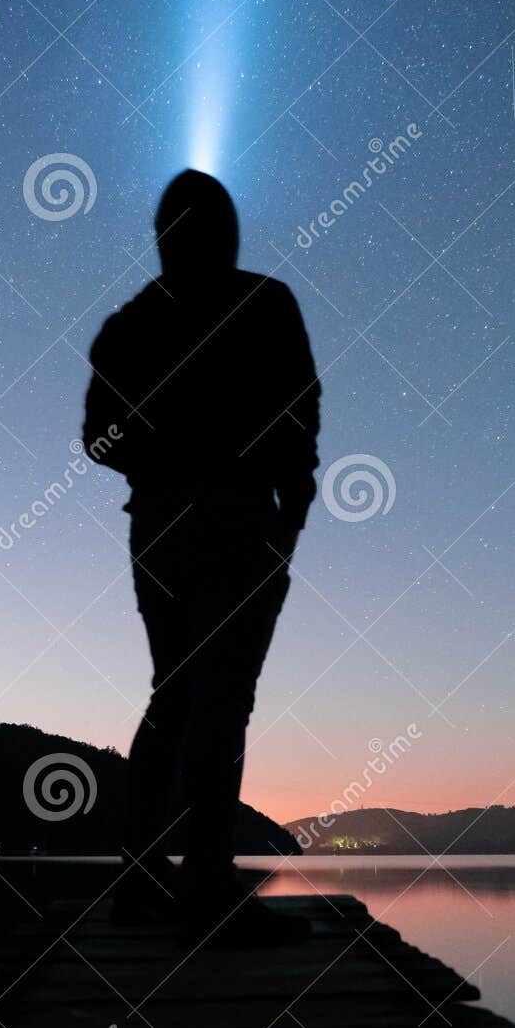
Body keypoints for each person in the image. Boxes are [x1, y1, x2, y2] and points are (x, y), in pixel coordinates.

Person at [83, 169, 320, 943]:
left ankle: (144, 874)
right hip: (232, 521)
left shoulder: (128, 327)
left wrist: (158, 465)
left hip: (163, 524)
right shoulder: (265, 304)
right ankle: (205, 882)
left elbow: (98, 437)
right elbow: (300, 408)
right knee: (217, 697)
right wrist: (289, 498)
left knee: (177, 693)